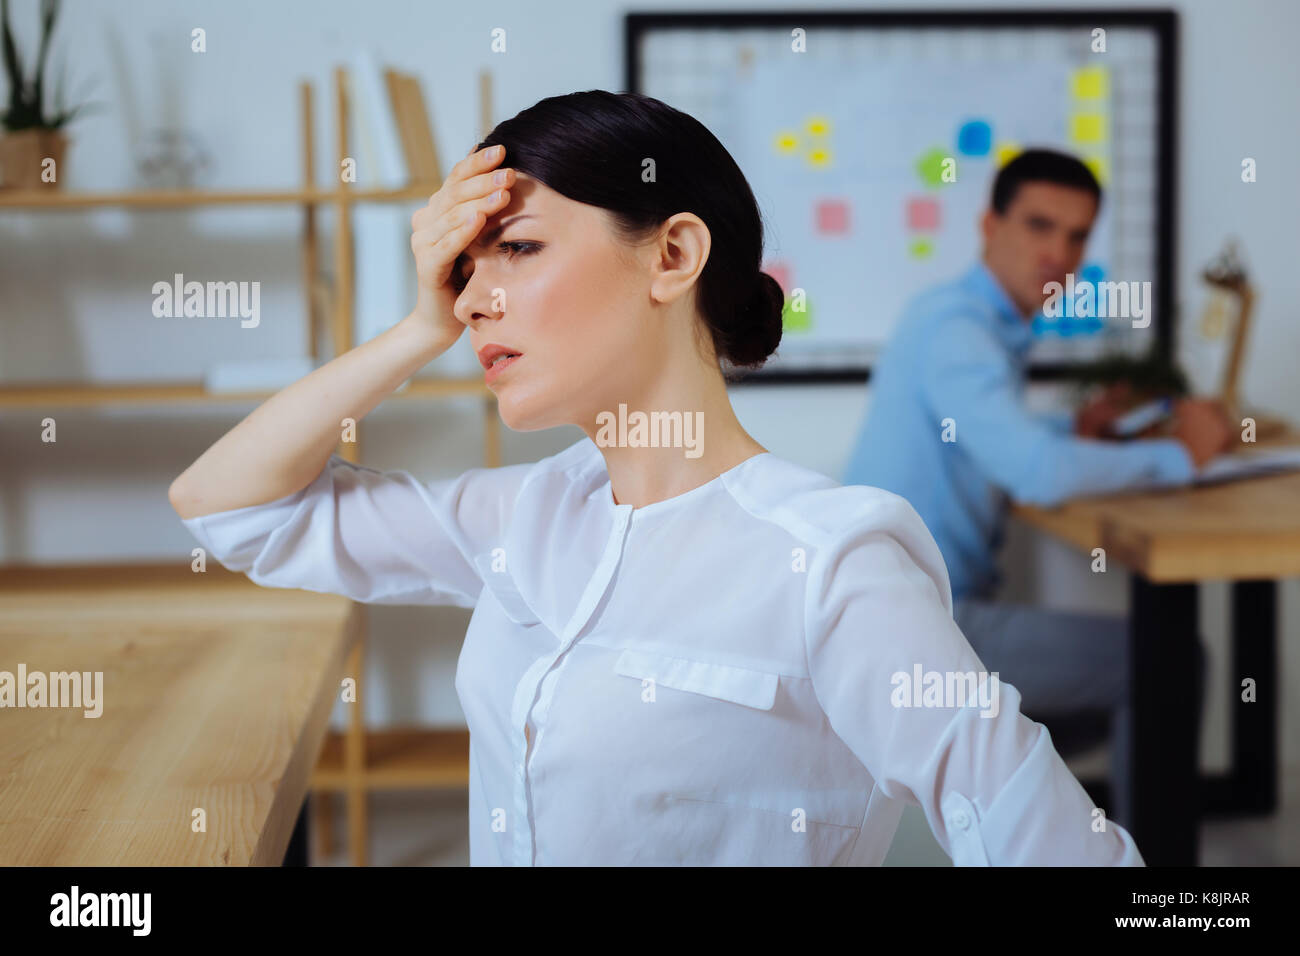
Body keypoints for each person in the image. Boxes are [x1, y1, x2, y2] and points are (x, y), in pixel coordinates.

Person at [171, 94, 1141, 866]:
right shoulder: (521, 513)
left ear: (672, 254)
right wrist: (414, 331)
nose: (471, 298)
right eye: (462, 268)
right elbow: (228, 509)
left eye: (515, 247)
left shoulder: (830, 564)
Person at [843, 148, 1230, 832]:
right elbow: (1038, 472)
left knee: (1139, 673)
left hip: (913, 616)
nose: (1059, 252)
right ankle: (1150, 882)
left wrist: (1073, 427)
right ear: (989, 225)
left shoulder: (961, 319)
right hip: (926, 629)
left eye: (1077, 235)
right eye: (1039, 226)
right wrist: (1180, 457)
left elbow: (990, 433)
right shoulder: (958, 330)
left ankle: (1057, 828)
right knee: (1169, 660)